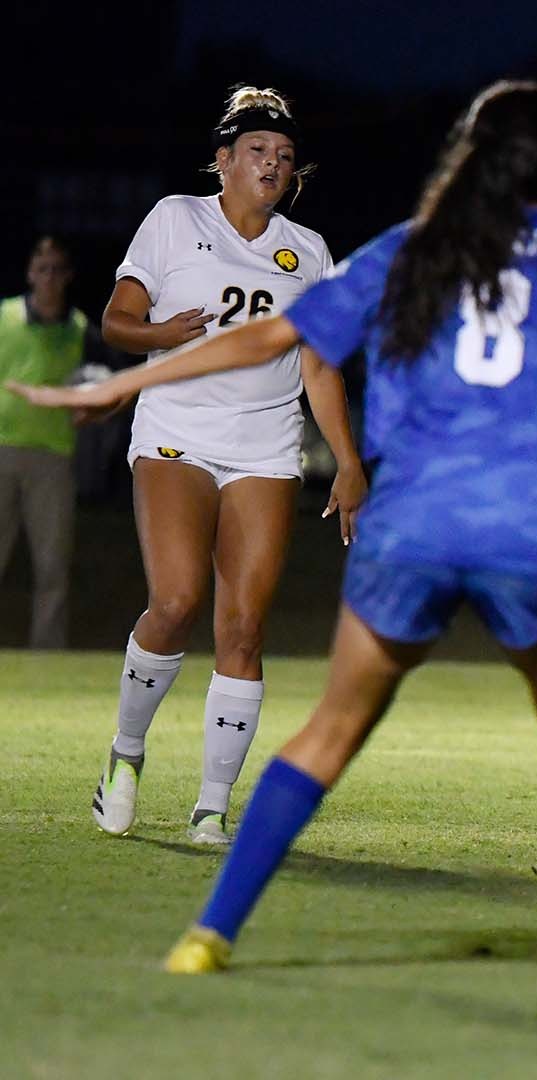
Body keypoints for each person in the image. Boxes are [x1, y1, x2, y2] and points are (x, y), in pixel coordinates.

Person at [15, 81, 537, 985]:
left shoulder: (406, 249)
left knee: (327, 730)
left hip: (415, 526)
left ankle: (210, 935)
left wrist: (115, 385)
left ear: (468, 156)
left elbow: (273, 338)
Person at [90, 86, 366, 846]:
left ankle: (212, 806)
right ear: (222, 161)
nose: (271, 164)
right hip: (177, 430)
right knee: (176, 601)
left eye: (282, 157)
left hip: (266, 446)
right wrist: (161, 333)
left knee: (243, 627)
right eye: (256, 152)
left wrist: (348, 461)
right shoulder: (176, 218)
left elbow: (320, 367)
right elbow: (116, 321)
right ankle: (126, 753)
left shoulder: (308, 253)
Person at [0, 236, 87, 647]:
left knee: (52, 564)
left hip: (53, 456)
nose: (49, 278)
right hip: (2, 448)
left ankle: (48, 652)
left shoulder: (80, 327)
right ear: (29, 273)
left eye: (57, 269)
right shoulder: (6, 316)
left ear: (68, 276)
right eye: (42, 268)